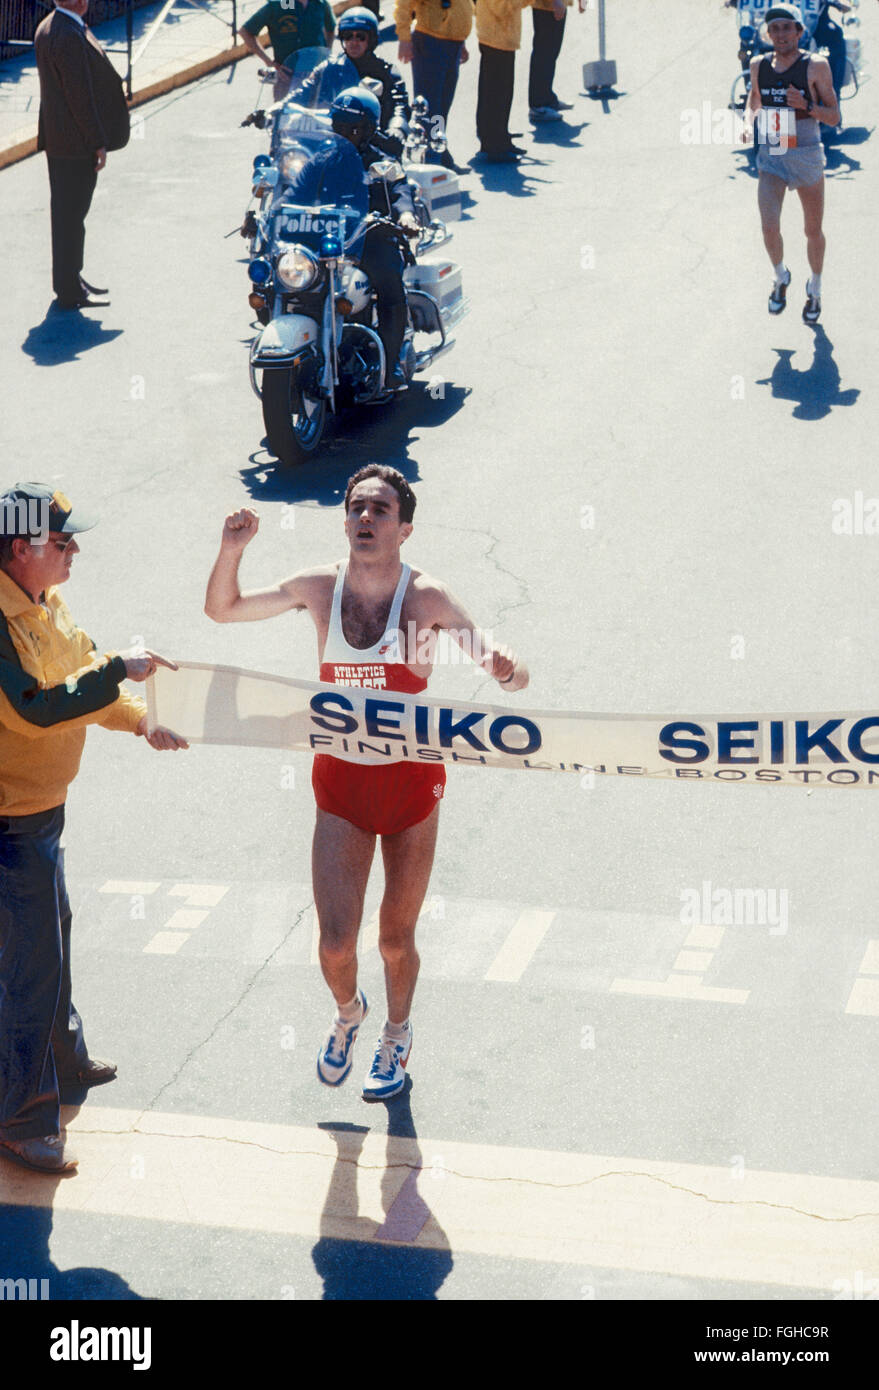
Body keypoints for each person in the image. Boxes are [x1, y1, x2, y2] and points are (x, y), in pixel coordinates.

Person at [204, 466, 528, 1100]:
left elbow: (510, 674)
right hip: (341, 788)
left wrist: (507, 670)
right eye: (357, 507)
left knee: (395, 939)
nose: (366, 518)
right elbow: (223, 610)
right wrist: (232, 549)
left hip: (411, 787)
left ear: (404, 530)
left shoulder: (426, 598)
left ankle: (396, 1035)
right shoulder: (319, 588)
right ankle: (350, 1013)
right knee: (333, 946)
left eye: (381, 510)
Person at [0, 484, 186, 1175]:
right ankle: (23, 1121)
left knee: (52, 940)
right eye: (62, 541)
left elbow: (82, 679)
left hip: (39, 813)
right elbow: (38, 710)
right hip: (9, 826)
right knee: (28, 970)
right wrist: (116, 670)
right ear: (21, 549)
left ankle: (66, 1060)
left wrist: (141, 718)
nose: (74, 549)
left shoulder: (44, 601)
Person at [291, 86, 420, 389]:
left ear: (369, 129)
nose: (345, 134)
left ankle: (390, 365)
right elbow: (294, 195)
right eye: (339, 126)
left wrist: (405, 215)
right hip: (326, 241)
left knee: (388, 280)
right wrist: (271, 215)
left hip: (370, 239)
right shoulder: (322, 161)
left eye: (353, 128)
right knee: (285, 276)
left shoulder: (382, 162)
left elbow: (400, 191)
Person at [744, 3, 839, 323]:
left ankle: (815, 287)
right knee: (769, 226)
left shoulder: (816, 66)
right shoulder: (758, 64)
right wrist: (748, 122)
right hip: (773, 152)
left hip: (806, 152)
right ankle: (781, 276)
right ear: (768, 34)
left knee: (812, 229)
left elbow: (835, 116)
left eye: (787, 27)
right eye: (775, 29)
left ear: (799, 32)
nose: (781, 34)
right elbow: (755, 99)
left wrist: (807, 105)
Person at [33, 1, 130, 311]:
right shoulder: (66, 34)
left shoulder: (53, 26)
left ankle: (71, 280)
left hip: (61, 140)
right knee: (71, 219)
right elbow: (79, 95)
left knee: (68, 217)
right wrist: (97, 142)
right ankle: (69, 289)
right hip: (74, 145)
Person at [295, 7, 411, 155]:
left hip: (372, 144)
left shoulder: (387, 72)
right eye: (348, 36)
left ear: (371, 39)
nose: (353, 42)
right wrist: (279, 107)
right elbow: (303, 91)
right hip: (330, 140)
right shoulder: (329, 67)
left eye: (360, 37)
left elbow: (400, 105)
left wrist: (397, 128)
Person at [395, 0, 473, 168]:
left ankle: (439, 151)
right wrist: (404, 37)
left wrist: (461, 42)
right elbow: (404, 5)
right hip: (431, 41)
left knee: (443, 105)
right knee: (429, 107)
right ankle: (430, 160)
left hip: (453, 43)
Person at [239, 0, 337, 100]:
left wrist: (327, 53)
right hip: (287, 78)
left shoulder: (320, 4)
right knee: (284, 109)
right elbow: (245, 32)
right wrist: (269, 62)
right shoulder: (278, 5)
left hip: (317, 76)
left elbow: (331, 29)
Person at [474, 0, 531, 162]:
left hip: (504, 37)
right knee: (495, 94)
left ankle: (501, 136)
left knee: (503, 93)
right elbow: (501, 7)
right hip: (494, 36)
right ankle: (493, 143)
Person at [528, 0, 586, 123]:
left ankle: (547, 98)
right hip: (546, 5)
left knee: (552, 51)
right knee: (544, 51)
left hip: (558, 4)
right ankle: (538, 105)